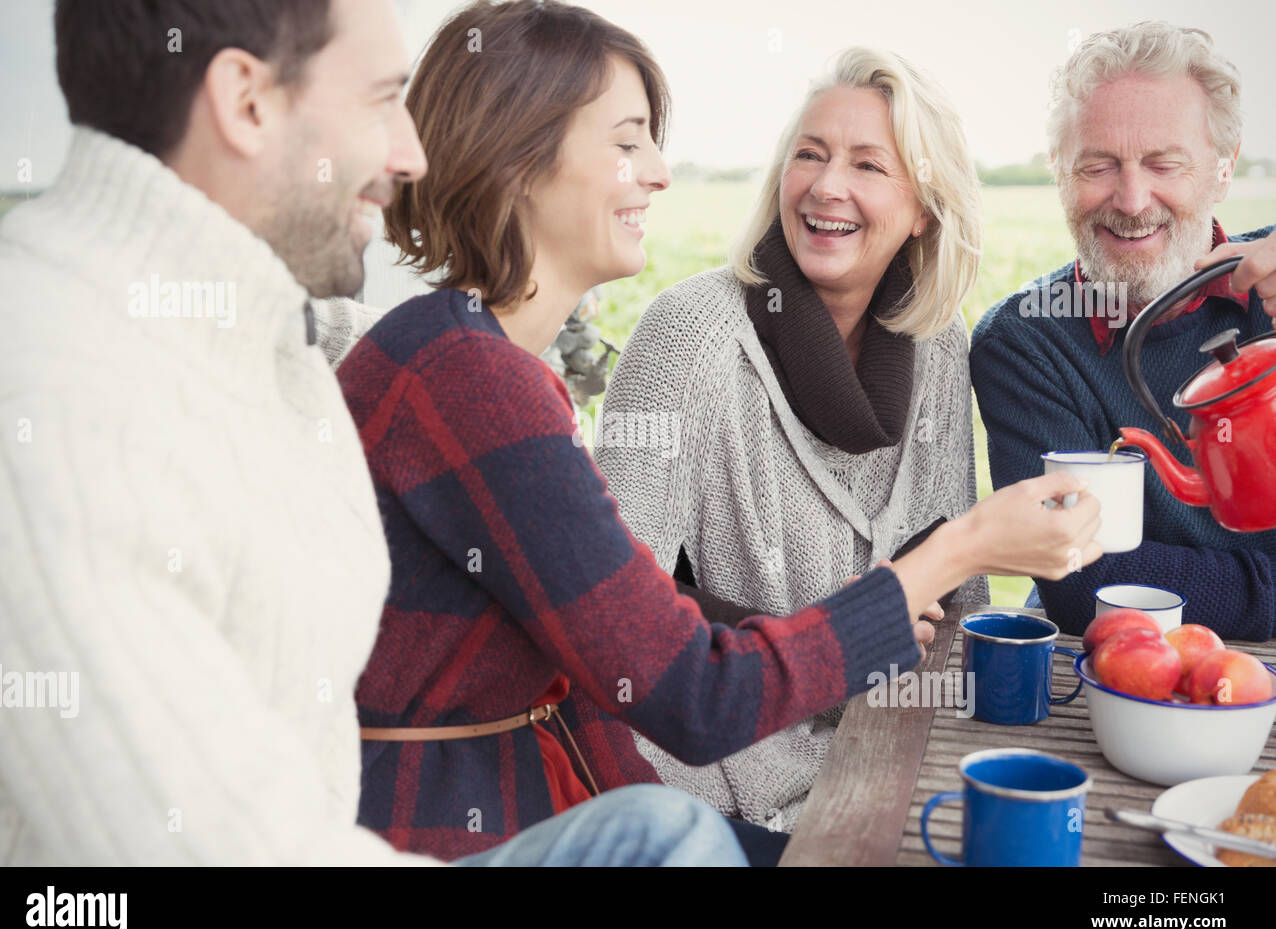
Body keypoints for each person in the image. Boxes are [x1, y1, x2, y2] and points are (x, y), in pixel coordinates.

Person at [0, 0, 747, 868]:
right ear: (247, 102)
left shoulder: (266, 348)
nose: (412, 155)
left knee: (664, 832)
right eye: (382, 101)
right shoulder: (44, 382)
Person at [338, 0, 1103, 865]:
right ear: (520, 160)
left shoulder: (484, 366)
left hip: (561, 794)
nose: (662, 174)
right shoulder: (471, 379)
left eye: (868, 164)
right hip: (471, 824)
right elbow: (686, 692)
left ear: (926, 209)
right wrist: (963, 546)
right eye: (628, 141)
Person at [971, 21, 1276, 642]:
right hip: (1118, 677)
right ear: (1059, 172)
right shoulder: (1025, 341)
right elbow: (1087, 580)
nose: (1133, 200)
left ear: (1223, 168)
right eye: (1098, 166)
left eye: (1164, 163)